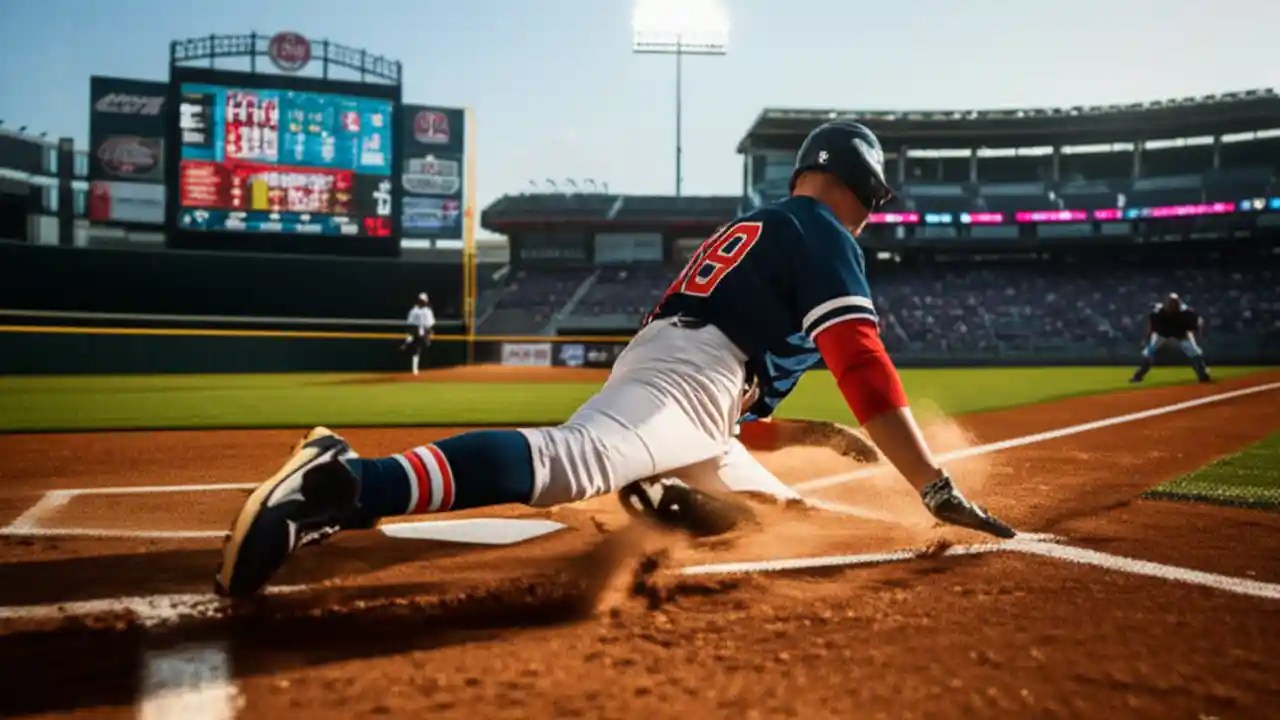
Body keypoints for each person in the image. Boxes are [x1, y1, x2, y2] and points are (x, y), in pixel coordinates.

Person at [215, 121, 1015, 599]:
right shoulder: (823, 232)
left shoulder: (772, 224)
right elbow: (860, 359)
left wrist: (808, 433)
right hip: (695, 374)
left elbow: (723, 419)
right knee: (577, 459)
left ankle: (657, 477)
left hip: (686, 374)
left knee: (774, 517)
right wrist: (931, 484)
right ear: (864, 190)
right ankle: (345, 484)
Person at [1130, 292, 1211, 384]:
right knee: (1149, 351)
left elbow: (1195, 325)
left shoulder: (1186, 311)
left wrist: (1195, 335)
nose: (1172, 304)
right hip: (1163, 332)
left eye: (1174, 302)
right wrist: (1147, 338)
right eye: (1170, 302)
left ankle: (1202, 374)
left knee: (1195, 351)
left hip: (1180, 332)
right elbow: (1153, 327)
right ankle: (1138, 376)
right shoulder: (1159, 311)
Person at [402, 292, 435, 376]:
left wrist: (429, 332)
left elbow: (430, 324)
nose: (423, 302)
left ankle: (408, 341)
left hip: (423, 331)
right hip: (416, 330)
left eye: (423, 301)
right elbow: (410, 324)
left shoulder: (427, 311)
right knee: (416, 349)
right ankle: (415, 369)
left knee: (421, 346)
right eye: (421, 301)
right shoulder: (414, 311)